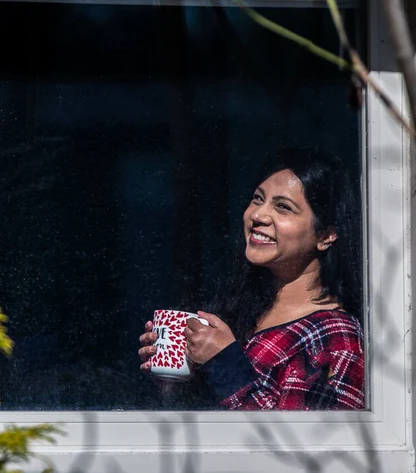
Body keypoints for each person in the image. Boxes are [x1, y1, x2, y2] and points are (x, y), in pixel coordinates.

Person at [138, 148, 365, 410]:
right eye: (258, 199)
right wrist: (178, 373)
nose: (258, 215)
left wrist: (224, 364)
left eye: (283, 207)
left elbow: (306, 445)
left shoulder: (336, 335)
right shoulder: (243, 308)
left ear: (326, 235)